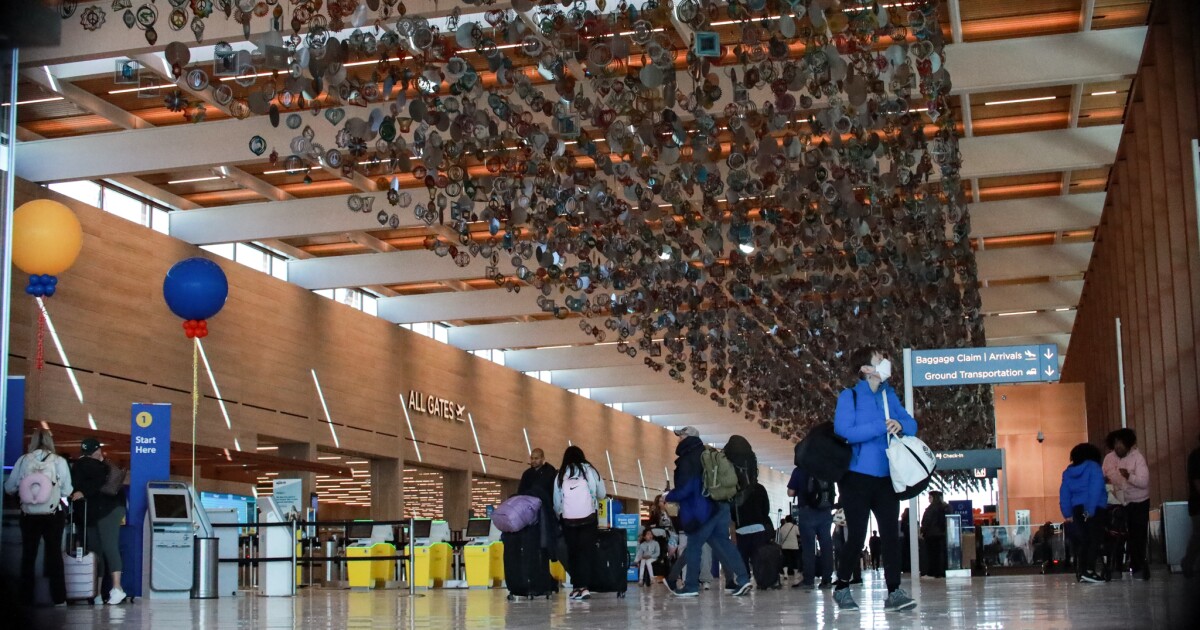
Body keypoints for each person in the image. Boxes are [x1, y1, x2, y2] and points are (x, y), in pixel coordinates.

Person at [830, 347, 919, 612]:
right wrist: (881, 425)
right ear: (866, 369)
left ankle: (894, 591)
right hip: (855, 477)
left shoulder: (888, 395)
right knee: (857, 535)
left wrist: (900, 425)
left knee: (891, 535)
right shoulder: (850, 396)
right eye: (879, 360)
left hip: (886, 477)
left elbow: (911, 424)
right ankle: (842, 586)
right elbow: (844, 431)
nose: (885, 363)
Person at [664, 426, 752, 597]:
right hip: (720, 505)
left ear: (686, 437)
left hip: (702, 511)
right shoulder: (708, 453)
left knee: (694, 546)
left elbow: (687, 488)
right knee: (724, 543)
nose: (678, 439)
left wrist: (669, 496)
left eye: (680, 436)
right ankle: (743, 579)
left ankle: (690, 586)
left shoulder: (688, 458)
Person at [3, 428, 73, 607]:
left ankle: (26, 597)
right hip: (52, 514)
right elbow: (67, 490)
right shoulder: (58, 461)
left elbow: (10, 487)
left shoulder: (23, 460)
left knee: (28, 555)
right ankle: (59, 598)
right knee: (54, 555)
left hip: (29, 515)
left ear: (32, 441)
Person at [69, 437, 127, 605]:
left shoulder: (81, 465)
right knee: (103, 549)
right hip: (105, 510)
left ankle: (110, 590)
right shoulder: (103, 465)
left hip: (100, 511)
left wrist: (82, 492)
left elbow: (79, 486)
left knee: (102, 549)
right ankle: (104, 591)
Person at [552, 445, 606, 601]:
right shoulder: (590, 471)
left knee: (573, 553)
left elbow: (557, 502)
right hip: (588, 518)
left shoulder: (561, 474)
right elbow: (602, 494)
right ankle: (584, 587)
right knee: (586, 553)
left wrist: (561, 515)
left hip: (568, 520)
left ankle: (577, 587)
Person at [1102, 428, 1150, 579]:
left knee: (1138, 535)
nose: (1118, 446)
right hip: (1117, 502)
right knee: (1116, 535)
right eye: (1116, 443)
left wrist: (1129, 476)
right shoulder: (1109, 458)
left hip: (1138, 502)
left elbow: (1144, 482)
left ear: (1128, 444)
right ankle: (1115, 568)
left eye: (1121, 443)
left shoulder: (1137, 458)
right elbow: (1103, 476)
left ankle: (1137, 567)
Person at [1060, 442, 1107, 584]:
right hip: (1094, 508)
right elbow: (1095, 489)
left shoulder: (1068, 472)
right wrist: (1090, 510)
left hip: (1077, 509)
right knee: (1094, 540)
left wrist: (1067, 513)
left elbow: (1064, 493)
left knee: (1084, 540)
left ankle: (1082, 571)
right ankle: (1090, 571)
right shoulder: (1094, 467)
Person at [788, 465, 835, 589]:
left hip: (807, 512)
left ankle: (808, 581)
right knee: (826, 546)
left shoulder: (800, 470)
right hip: (825, 511)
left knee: (808, 548)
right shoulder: (826, 468)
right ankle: (827, 580)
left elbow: (790, 492)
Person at [731, 480, 774, 588]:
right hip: (758, 527)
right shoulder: (760, 488)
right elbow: (766, 509)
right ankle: (762, 581)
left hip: (741, 530)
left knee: (743, 558)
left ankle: (745, 581)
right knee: (758, 557)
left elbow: (732, 512)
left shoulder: (735, 489)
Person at [921, 491, 950, 578]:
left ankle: (932, 572)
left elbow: (926, 522)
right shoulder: (945, 507)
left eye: (930, 497)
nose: (928, 499)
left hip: (931, 534)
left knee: (932, 555)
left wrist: (922, 531)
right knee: (940, 554)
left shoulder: (931, 509)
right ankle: (940, 572)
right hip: (942, 534)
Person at [1182, 435, 1200, 578]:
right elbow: (1197, 481)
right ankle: (1188, 562)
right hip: (1197, 503)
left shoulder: (1194, 456)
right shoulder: (1196, 457)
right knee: (1198, 535)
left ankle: (1188, 562)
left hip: (1195, 503)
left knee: (1197, 535)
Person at [775, 515, 801, 586]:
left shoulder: (782, 528)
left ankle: (785, 574)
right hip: (794, 546)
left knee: (785, 560)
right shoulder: (795, 527)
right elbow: (799, 534)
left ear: (786, 520)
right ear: (792, 520)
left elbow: (780, 538)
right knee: (794, 560)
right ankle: (795, 574)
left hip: (785, 547)